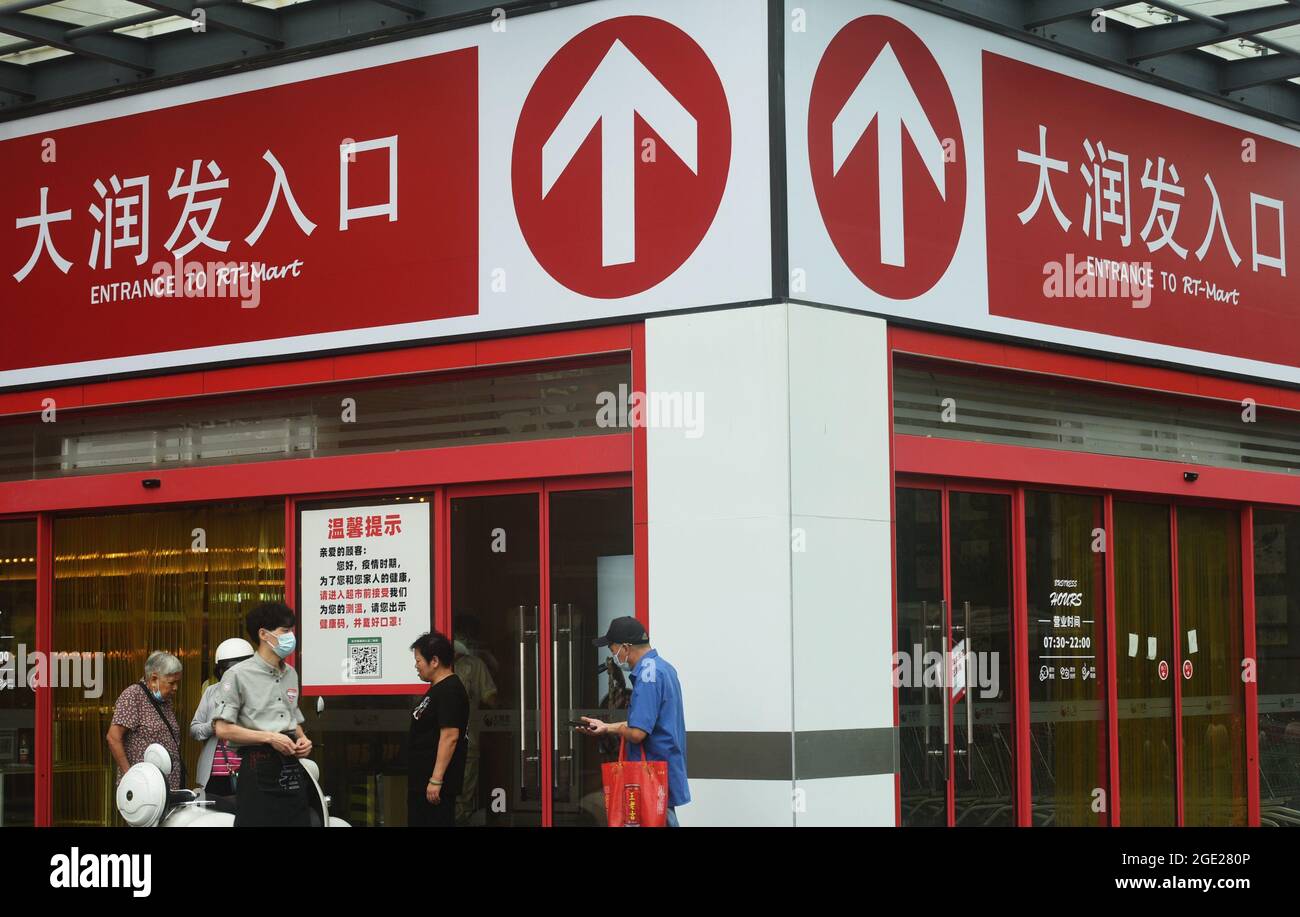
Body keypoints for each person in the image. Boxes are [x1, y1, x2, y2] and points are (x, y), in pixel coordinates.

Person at [211, 602, 314, 827]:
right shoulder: (238, 675)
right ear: (263, 634)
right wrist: (269, 737)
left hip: (291, 765)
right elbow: (222, 728)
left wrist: (303, 738)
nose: (291, 637)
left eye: (291, 631)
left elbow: (292, 717)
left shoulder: (291, 674)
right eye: (285, 631)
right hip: (257, 764)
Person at [580, 617, 690, 827]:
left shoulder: (648, 676)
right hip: (661, 774)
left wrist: (611, 729)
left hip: (650, 778)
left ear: (626, 647)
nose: (613, 655)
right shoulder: (664, 668)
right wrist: (606, 726)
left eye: (613, 649)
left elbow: (638, 732)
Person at [408, 631, 469, 827]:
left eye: (418, 660)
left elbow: (450, 736)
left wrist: (436, 779)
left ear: (434, 661)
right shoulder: (437, 688)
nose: (416, 665)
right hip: (422, 782)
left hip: (435, 787)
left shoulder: (450, 690)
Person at [107, 651, 185, 791]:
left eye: (177, 683)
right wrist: (130, 776)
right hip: (143, 788)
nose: (176, 688)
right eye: (172, 683)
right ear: (154, 678)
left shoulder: (165, 702)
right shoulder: (134, 695)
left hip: (166, 787)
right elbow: (113, 738)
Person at [190, 637, 254, 797]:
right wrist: (212, 726)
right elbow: (194, 730)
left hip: (251, 773)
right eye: (228, 670)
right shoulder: (211, 692)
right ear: (219, 671)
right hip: (214, 776)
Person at [451, 618, 497, 825]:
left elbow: (491, 699)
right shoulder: (432, 664)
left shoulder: (474, 664)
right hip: (440, 742)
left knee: (461, 795)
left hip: (465, 741)